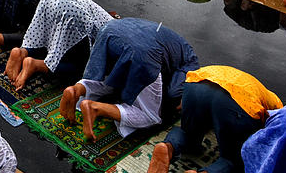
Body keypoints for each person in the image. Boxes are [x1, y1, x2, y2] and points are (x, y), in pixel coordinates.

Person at [147, 66, 282, 173]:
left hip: (198, 83)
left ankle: (167, 147)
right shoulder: (277, 105)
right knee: (232, 160)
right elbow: (273, 134)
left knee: (188, 133)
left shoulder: (245, 79)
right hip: (238, 102)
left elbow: (184, 104)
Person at [60, 19, 199, 141]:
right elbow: (174, 94)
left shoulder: (177, 43)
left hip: (111, 30)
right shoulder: (191, 63)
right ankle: (95, 108)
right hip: (144, 53)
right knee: (150, 116)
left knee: (109, 79)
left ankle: (76, 90)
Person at [0, 0, 112, 90]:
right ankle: (36, 65)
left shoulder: (110, 20)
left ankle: (23, 51)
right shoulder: (112, 36)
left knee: (43, 38)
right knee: (81, 67)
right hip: (74, 14)